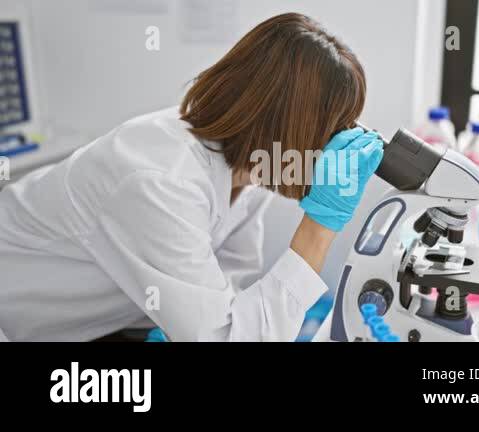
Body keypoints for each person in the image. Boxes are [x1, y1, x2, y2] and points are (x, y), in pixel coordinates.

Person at [0, 13, 383, 341]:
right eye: (333, 129)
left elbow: (230, 284)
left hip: (94, 324)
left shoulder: (249, 165)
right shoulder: (160, 179)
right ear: (283, 123)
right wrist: (320, 226)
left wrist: (187, 324)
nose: (335, 146)